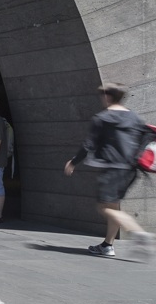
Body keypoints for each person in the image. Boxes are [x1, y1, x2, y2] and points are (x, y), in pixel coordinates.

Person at [64, 81, 153, 259]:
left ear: (108, 96)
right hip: (131, 169)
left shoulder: (103, 118)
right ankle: (107, 245)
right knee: (113, 206)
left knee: (104, 208)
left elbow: (88, 144)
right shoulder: (134, 118)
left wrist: (74, 161)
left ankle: (138, 233)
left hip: (113, 168)